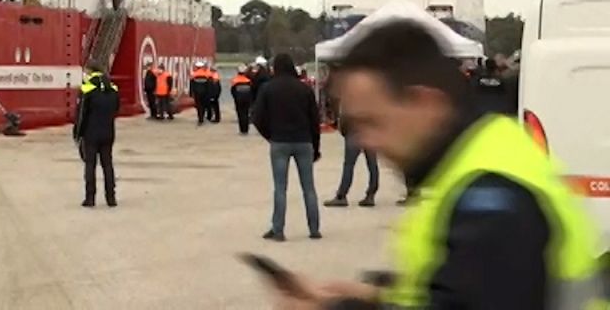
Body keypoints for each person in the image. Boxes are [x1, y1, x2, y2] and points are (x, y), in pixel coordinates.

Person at [262, 20, 606, 309]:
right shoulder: (472, 158)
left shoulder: (492, 195)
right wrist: (371, 299)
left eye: (374, 122)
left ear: (425, 103)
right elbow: (453, 289)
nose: (365, 141)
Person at [252, 53, 322, 241]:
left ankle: (278, 229)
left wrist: (271, 135)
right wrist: (316, 147)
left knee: (280, 188)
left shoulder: (268, 88)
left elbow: (257, 117)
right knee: (309, 187)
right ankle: (314, 228)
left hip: (280, 141)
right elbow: (315, 121)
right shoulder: (304, 89)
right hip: (304, 141)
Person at [324, 71, 379, 208]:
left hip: (355, 132)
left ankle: (342, 195)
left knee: (349, 164)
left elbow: (345, 117)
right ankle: (371, 193)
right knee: (372, 164)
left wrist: (343, 129)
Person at [72, 63, 120, 208]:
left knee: (90, 165)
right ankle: (111, 198)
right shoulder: (113, 88)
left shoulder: (87, 89)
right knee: (108, 164)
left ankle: (90, 198)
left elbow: (81, 115)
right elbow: (116, 109)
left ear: (90, 72)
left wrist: (77, 133)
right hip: (108, 132)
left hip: (91, 133)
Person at [230, 65, 255, 134]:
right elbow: (251, 91)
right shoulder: (249, 80)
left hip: (238, 99)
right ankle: (246, 129)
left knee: (240, 114)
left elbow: (232, 91)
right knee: (246, 113)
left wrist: (235, 98)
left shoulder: (234, 80)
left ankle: (242, 130)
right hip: (247, 99)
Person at [190, 60, 214, 126]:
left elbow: (191, 86)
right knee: (204, 105)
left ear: (197, 67)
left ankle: (200, 119)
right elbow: (210, 85)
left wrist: (191, 94)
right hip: (205, 93)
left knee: (199, 106)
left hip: (197, 93)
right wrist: (210, 94)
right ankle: (204, 117)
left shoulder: (193, 75)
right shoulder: (208, 74)